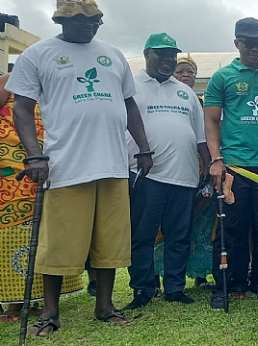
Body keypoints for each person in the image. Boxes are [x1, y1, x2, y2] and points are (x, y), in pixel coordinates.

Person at [6, 0, 154, 335]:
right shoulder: (37, 55)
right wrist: (34, 155)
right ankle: (50, 313)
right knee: (59, 243)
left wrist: (144, 148)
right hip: (66, 165)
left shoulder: (113, 55)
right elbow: (22, 108)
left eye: (94, 20)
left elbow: (129, 105)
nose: (88, 25)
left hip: (113, 164)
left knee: (110, 242)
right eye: (79, 20)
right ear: (60, 20)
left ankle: (105, 306)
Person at [204, 17, 258, 308]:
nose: (255, 49)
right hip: (235, 165)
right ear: (237, 43)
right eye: (249, 43)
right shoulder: (222, 77)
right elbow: (211, 121)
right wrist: (216, 159)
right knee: (232, 228)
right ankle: (230, 284)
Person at [123, 33, 209, 309]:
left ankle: (175, 287)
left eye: (172, 55)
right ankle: (143, 288)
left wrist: (209, 165)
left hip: (184, 176)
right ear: (147, 54)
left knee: (179, 235)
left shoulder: (186, 92)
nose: (168, 60)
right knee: (143, 235)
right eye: (161, 54)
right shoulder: (131, 85)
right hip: (146, 174)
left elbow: (200, 136)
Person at [0, 73, 83, 322]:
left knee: (39, 236)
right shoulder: (9, 82)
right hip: (10, 175)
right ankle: (12, 305)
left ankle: (33, 300)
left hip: (44, 172)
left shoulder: (51, 88)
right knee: (10, 238)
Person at [170, 55, 215, 289]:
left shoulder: (202, 103)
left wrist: (208, 165)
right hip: (172, 171)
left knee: (203, 225)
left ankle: (200, 275)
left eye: (190, 72)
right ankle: (162, 276)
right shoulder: (166, 98)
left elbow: (207, 136)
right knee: (171, 226)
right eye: (180, 71)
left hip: (201, 171)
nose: (185, 75)